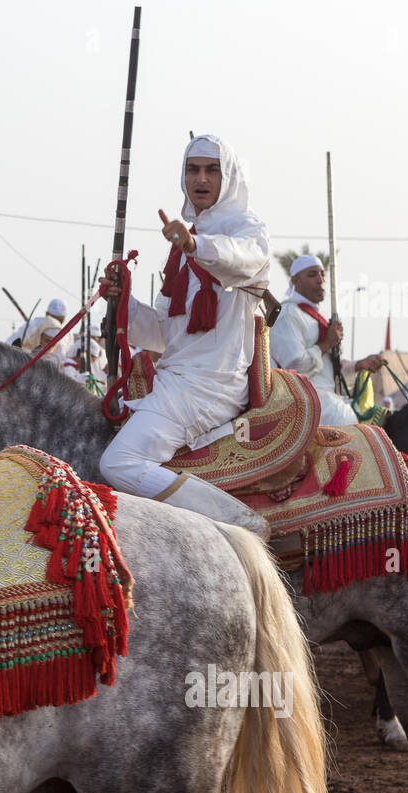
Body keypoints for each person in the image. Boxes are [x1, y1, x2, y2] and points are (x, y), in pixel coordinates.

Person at [96, 134, 271, 537]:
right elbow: (161, 335)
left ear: (227, 176)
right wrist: (125, 302)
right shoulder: (180, 246)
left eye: (212, 169)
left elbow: (245, 261)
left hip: (211, 384)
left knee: (117, 463)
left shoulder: (247, 230)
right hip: (177, 378)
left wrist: (195, 244)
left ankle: (239, 522)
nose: (201, 178)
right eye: (193, 169)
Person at [269, 254, 383, 425]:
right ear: (295, 281)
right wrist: (327, 343)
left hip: (326, 398)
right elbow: (294, 367)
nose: (320, 280)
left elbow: (328, 373)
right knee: (353, 425)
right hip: (301, 399)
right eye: (312, 274)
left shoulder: (314, 317)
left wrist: (359, 365)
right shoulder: (288, 314)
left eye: (322, 274)